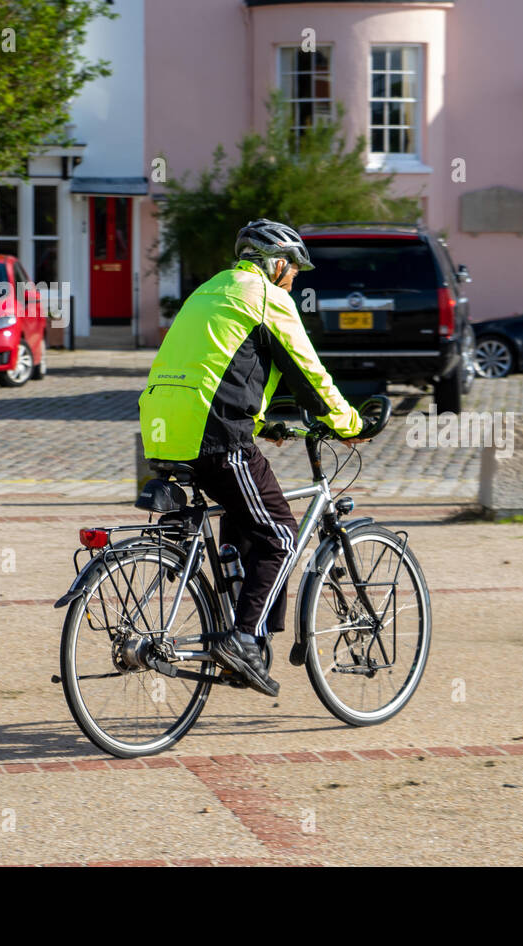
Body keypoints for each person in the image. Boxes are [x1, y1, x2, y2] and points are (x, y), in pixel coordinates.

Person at [138, 219, 365, 696]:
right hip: (213, 433)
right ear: (277, 264)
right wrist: (349, 424)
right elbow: (308, 370)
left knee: (245, 518)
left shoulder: (209, 290)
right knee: (281, 534)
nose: (295, 278)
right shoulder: (267, 297)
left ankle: (243, 634)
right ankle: (242, 639)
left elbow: (220, 363)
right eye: (294, 269)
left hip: (161, 427)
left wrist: (261, 423)